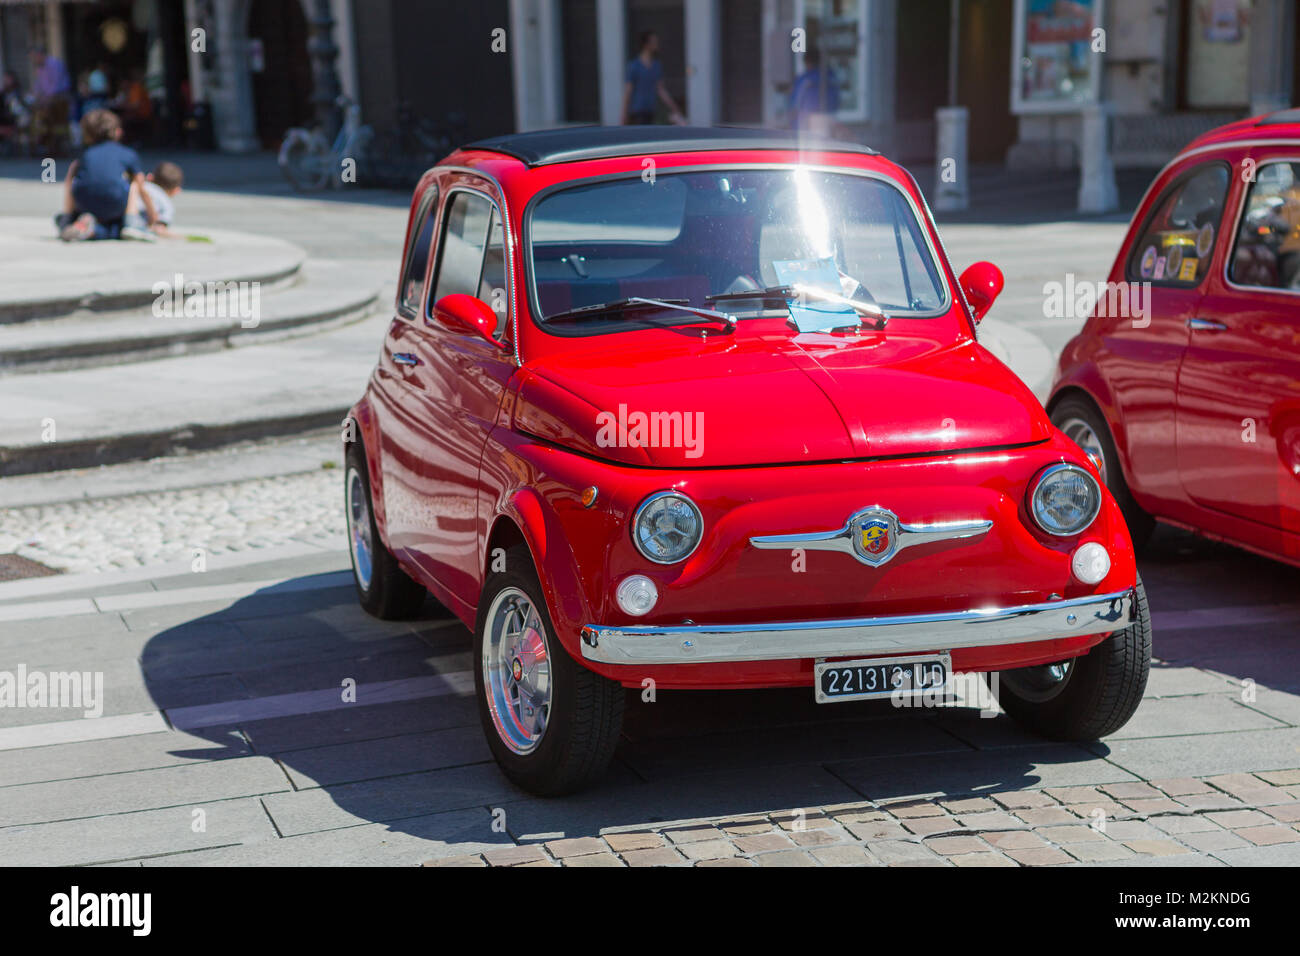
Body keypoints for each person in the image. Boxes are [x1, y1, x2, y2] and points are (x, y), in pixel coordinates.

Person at [56, 109, 157, 242]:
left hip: (84, 202)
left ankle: (79, 224)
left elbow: (71, 179)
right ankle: (130, 223)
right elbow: (141, 187)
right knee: (133, 183)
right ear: (117, 131)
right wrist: (153, 216)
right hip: (114, 203)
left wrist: (67, 215)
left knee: (74, 175)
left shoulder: (84, 155)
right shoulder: (128, 153)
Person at [620, 31, 684, 126]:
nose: (656, 45)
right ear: (646, 44)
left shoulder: (656, 66)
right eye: (654, 42)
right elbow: (628, 91)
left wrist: (674, 107)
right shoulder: (634, 66)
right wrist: (624, 115)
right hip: (638, 111)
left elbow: (660, 90)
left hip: (651, 110)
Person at [29, 46, 72, 154]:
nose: (33, 60)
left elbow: (56, 86)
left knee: (47, 113)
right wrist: (35, 96)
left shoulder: (54, 64)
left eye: (34, 57)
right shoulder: (39, 68)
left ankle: (47, 140)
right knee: (34, 111)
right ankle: (41, 139)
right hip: (47, 99)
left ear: (40, 55)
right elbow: (38, 86)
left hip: (59, 98)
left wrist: (45, 98)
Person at [789, 48, 840, 135]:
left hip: (808, 120)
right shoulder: (831, 76)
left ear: (807, 62)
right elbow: (837, 99)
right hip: (829, 117)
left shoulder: (805, 79)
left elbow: (795, 104)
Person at [140, 161, 184, 238]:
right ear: (176, 191)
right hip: (137, 222)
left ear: (150, 177)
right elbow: (159, 229)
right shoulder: (166, 203)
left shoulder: (141, 185)